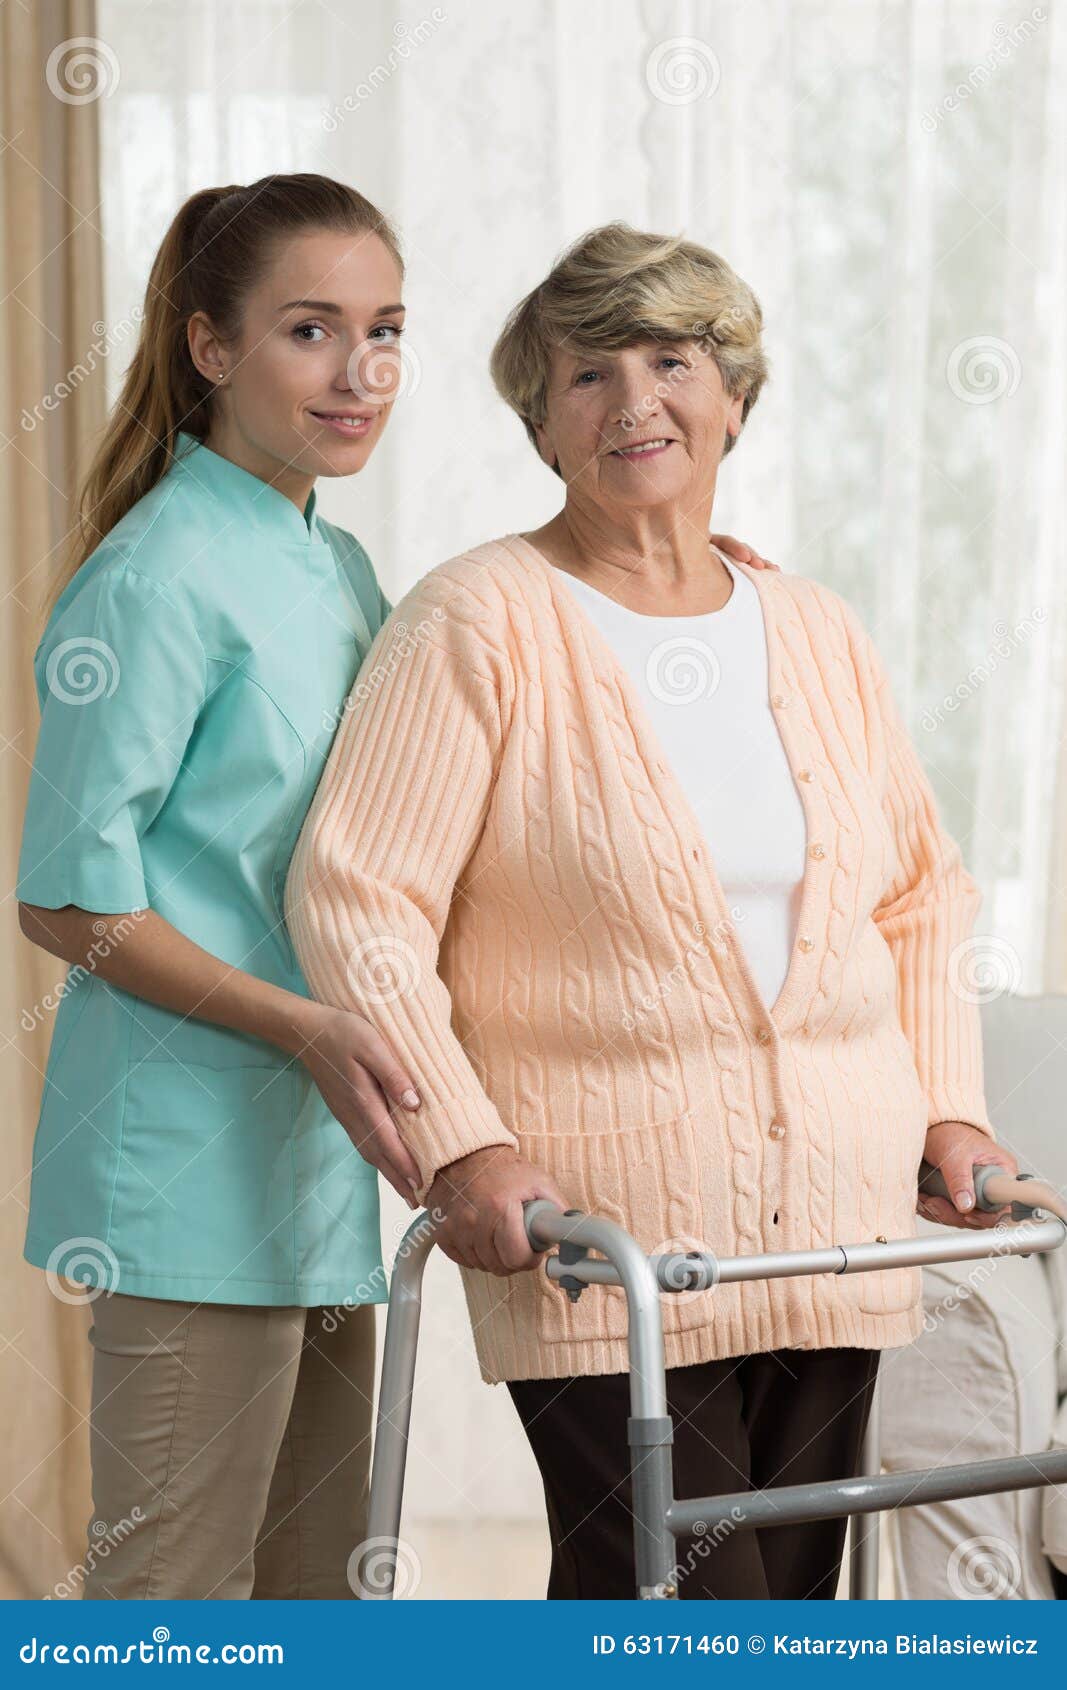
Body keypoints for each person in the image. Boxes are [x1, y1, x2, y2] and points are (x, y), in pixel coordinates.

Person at [286, 222, 1017, 1600]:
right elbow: (358, 898)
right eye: (589, 374)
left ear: (734, 398)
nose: (636, 402)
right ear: (541, 426)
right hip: (600, 1234)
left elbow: (921, 893)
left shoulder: (816, 629)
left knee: (784, 1599)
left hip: (839, 1216)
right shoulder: (477, 621)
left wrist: (950, 1113)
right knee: (679, 1603)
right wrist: (461, 1143)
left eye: (672, 361)